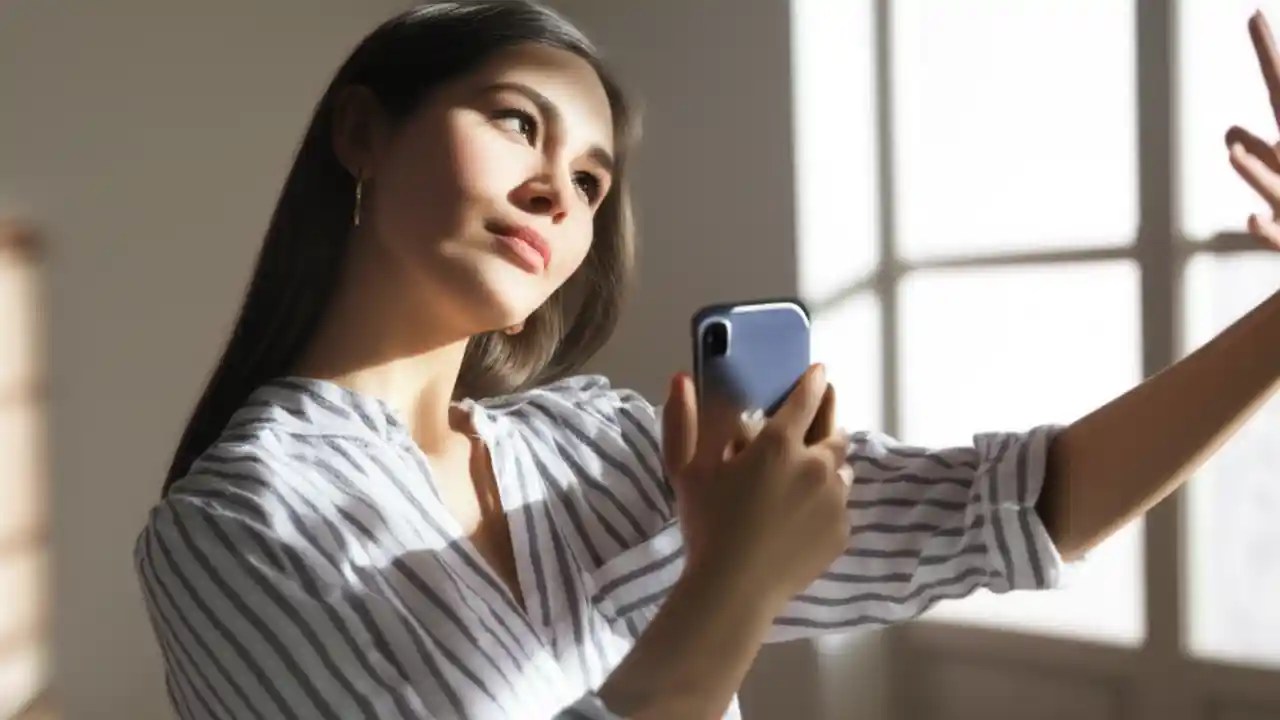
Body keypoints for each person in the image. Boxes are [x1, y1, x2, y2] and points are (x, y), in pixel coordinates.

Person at [133, 3, 1280, 718]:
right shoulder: (233, 526)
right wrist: (731, 581)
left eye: (590, 180)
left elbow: (1018, 506)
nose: (556, 188)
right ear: (362, 135)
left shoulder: (603, 445)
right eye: (516, 123)